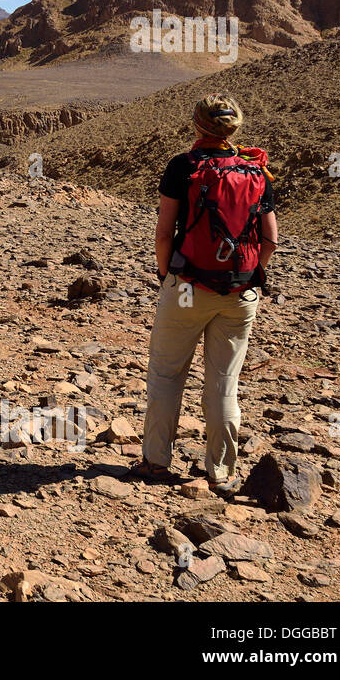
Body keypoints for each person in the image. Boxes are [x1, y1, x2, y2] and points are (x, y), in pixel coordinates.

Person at [127, 94, 278, 496]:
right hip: (241, 290)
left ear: (197, 125)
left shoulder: (183, 166)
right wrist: (249, 273)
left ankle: (156, 462)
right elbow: (270, 239)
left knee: (166, 373)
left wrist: (167, 275)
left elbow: (164, 233)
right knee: (224, 383)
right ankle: (221, 473)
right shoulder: (255, 169)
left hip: (189, 288)